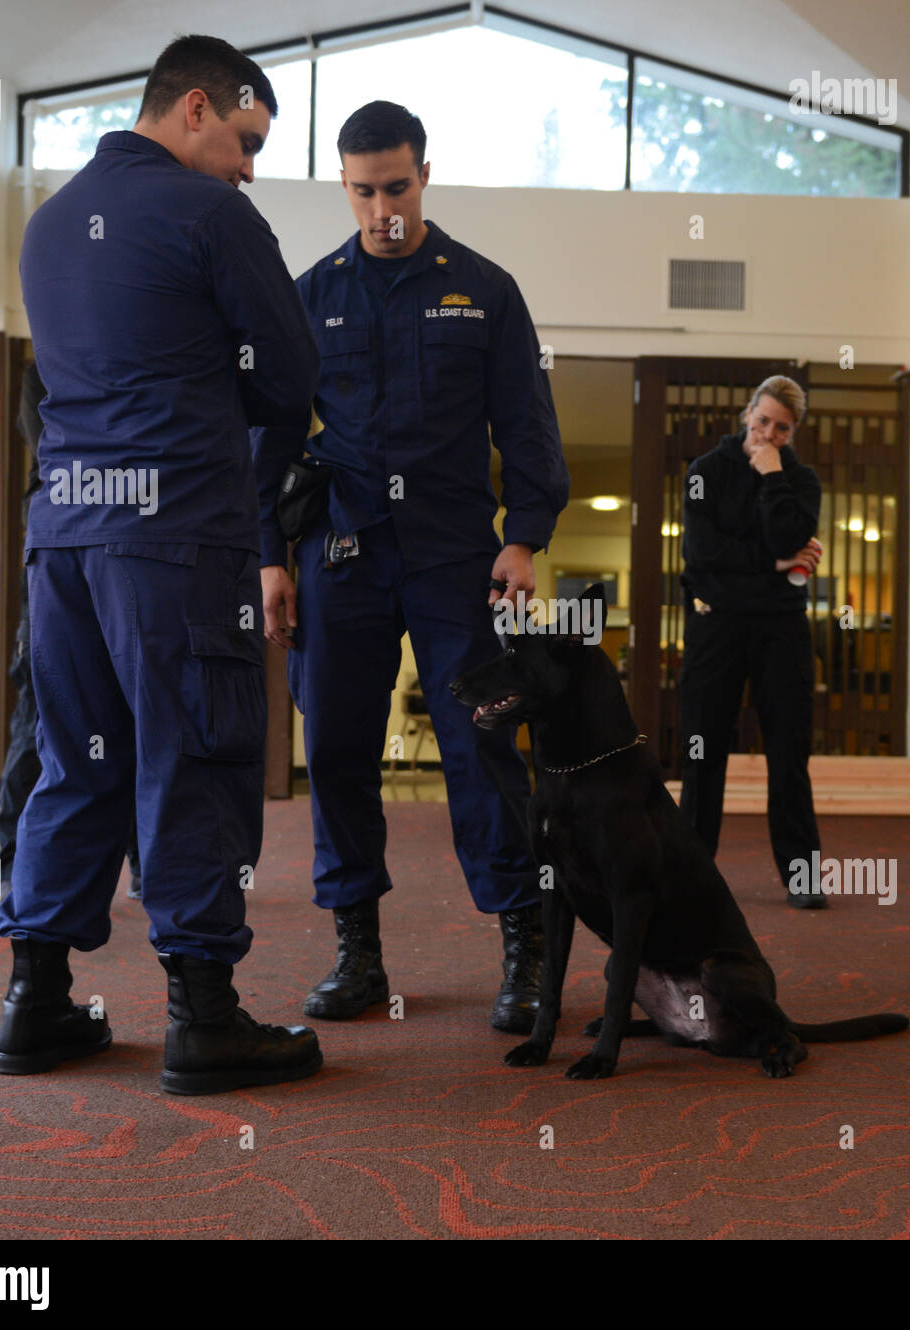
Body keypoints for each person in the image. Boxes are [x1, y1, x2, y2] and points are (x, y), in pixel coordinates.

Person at [0, 34, 323, 1094]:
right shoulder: (211, 216)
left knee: (72, 760)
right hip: (174, 536)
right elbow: (288, 379)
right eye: (244, 139)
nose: (248, 167)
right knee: (196, 754)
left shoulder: (47, 226)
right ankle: (204, 1017)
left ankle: (36, 1002)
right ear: (193, 108)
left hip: (64, 543)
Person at [252, 101, 570, 1033]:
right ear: (343, 187)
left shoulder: (484, 289)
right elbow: (269, 438)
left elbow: (527, 424)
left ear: (423, 175)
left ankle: (523, 944)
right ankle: (357, 953)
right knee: (341, 749)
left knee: (479, 743)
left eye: (396, 187)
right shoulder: (312, 294)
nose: (381, 207)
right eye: (362, 192)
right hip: (342, 550)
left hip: (452, 555)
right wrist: (269, 556)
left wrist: (526, 535)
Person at [677, 375, 828, 908]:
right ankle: (691, 877)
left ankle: (803, 877)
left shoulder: (800, 480)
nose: (769, 434)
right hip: (715, 628)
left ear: (792, 432)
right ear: (747, 414)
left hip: (781, 631)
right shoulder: (704, 473)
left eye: (781, 428)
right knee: (702, 751)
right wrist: (773, 566)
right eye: (762, 421)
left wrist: (772, 478)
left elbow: (791, 538)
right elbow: (701, 557)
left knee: (789, 753)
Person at [0, 361, 142, 899]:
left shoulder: (134, 366)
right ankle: (12, 864)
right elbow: (64, 456)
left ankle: (140, 857)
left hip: (130, 550)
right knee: (37, 718)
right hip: (59, 559)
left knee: (134, 710)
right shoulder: (41, 372)